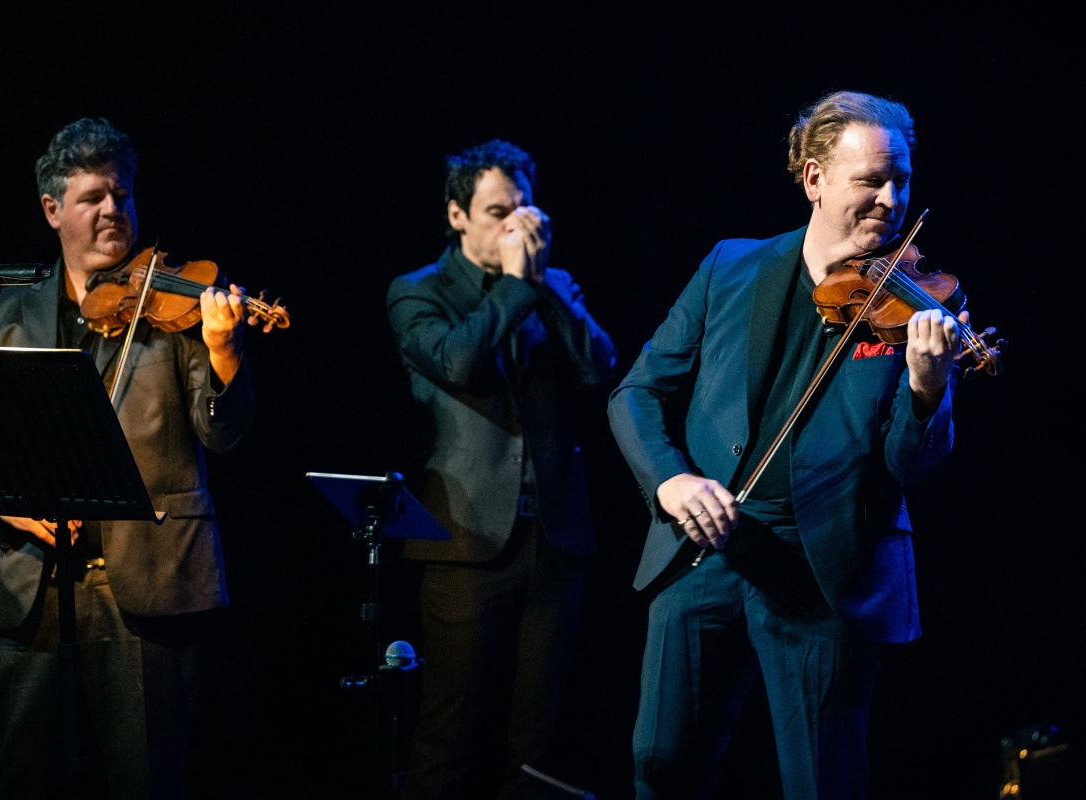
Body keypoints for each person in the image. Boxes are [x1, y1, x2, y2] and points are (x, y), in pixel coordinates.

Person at [607, 91, 968, 799]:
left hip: (825, 563)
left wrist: (927, 389)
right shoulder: (729, 267)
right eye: (871, 181)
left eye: (901, 179)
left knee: (820, 780)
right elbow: (636, 392)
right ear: (814, 179)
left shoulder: (924, 304)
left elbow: (909, 465)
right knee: (660, 761)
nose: (891, 199)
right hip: (708, 540)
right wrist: (671, 482)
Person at [0, 117, 255, 799]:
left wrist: (225, 353)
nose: (112, 211)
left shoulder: (176, 308)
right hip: (27, 585)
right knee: (21, 779)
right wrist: (4, 509)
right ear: (52, 210)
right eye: (94, 197)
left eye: (122, 196)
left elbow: (223, 435)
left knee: (147, 781)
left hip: (148, 583)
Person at [386, 139, 617, 799]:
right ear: (457, 216)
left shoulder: (552, 286)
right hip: (465, 544)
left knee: (537, 746)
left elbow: (599, 368)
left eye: (524, 208)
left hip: (553, 543)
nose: (518, 225)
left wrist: (544, 290)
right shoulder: (417, 292)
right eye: (497, 212)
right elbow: (458, 364)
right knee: (450, 736)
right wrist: (517, 286)